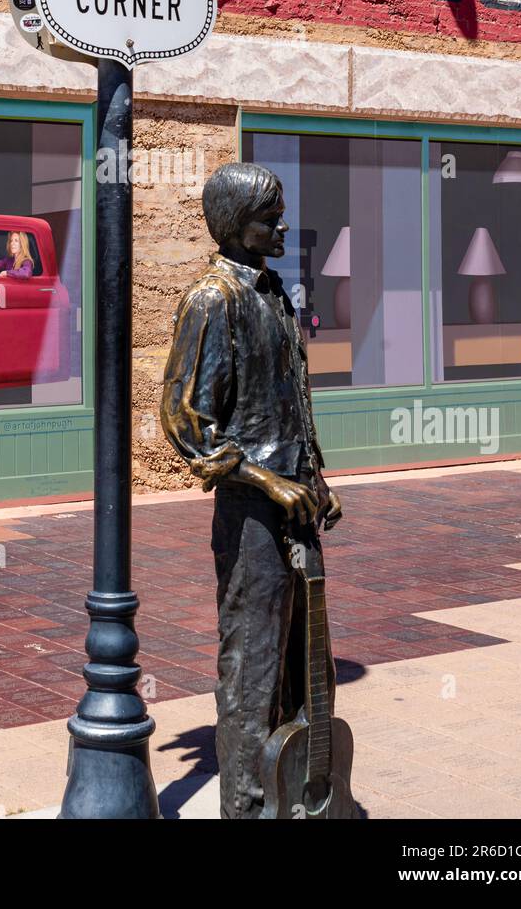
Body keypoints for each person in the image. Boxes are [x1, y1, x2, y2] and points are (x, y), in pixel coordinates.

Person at [160, 162, 343, 820]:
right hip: (251, 514)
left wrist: (315, 477)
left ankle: (298, 791)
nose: (282, 226)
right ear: (236, 225)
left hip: (296, 505)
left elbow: (293, 402)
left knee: (304, 664)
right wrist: (265, 480)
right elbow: (187, 421)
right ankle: (245, 804)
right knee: (251, 663)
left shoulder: (274, 295)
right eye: (270, 217)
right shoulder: (213, 301)